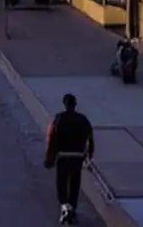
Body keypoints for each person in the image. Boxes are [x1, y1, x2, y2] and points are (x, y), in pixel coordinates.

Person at [45, 93, 94, 225]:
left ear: (64, 104)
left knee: (61, 183)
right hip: (77, 157)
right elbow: (90, 138)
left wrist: (49, 158)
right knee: (74, 183)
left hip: (63, 156)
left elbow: (51, 139)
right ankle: (72, 208)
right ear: (75, 104)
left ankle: (64, 207)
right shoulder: (83, 120)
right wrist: (89, 156)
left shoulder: (58, 119)